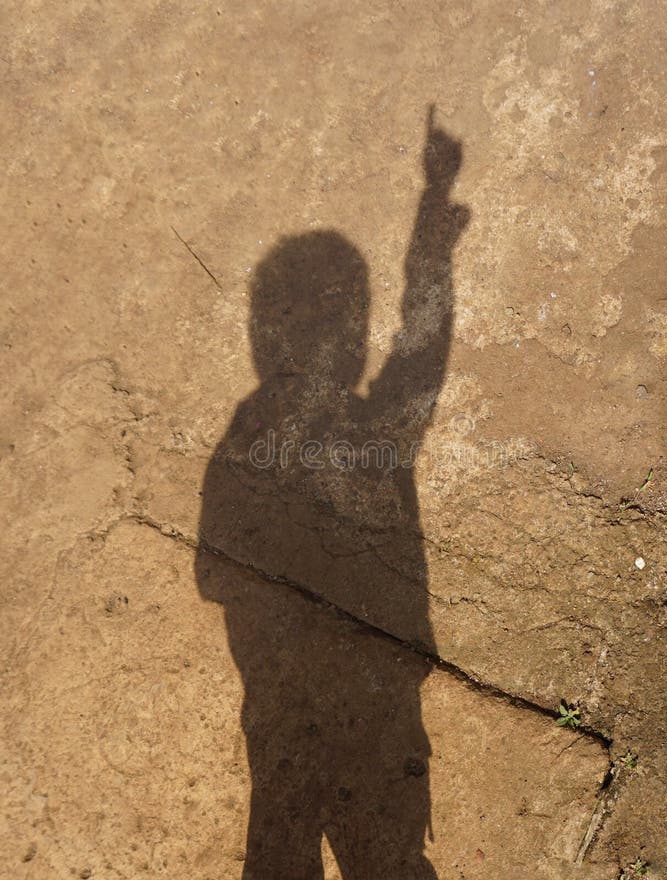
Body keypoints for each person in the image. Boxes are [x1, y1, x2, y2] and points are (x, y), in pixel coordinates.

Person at [196, 106, 469, 879]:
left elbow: (212, 578)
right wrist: (432, 233)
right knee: (386, 858)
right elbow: (421, 355)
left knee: (288, 854)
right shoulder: (375, 434)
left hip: (291, 728)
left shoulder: (242, 449)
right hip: (375, 722)